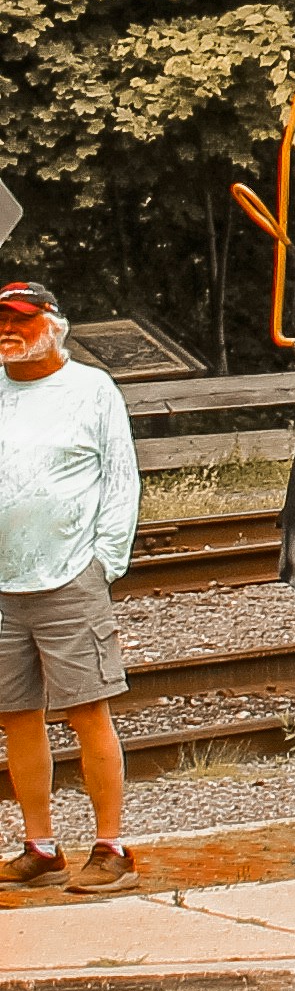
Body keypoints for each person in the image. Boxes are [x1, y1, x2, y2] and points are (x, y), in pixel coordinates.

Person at [0, 282, 138, 890]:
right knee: (16, 717)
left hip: (69, 577)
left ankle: (110, 848)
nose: (8, 331)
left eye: (20, 321)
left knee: (87, 710)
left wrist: (102, 563)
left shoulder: (91, 390)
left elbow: (120, 480)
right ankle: (42, 846)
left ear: (53, 324)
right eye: (1, 320)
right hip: (3, 586)